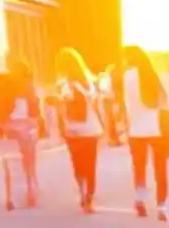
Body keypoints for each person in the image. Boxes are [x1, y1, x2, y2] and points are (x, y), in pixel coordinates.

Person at [121, 45, 169, 221]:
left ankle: (140, 200)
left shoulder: (127, 76)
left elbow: (126, 103)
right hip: (156, 127)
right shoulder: (152, 73)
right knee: (160, 168)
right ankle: (162, 206)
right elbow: (164, 100)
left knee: (139, 168)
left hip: (136, 128)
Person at [0, 60, 41, 210]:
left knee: (10, 165)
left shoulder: (4, 87)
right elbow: (35, 111)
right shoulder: (28, 88)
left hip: (10, 126)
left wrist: (3, 125)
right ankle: (30, 191)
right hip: (26, 126)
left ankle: (11, 196)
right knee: (29, 162)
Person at [56, 47, 103, 213]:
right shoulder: (89, 82)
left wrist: (62, 127)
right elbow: (97, 105)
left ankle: (82, 189)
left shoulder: (65, 84)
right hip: (91, 127)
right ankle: (89, 199)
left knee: (77, 163)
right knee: (91, 164)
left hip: (74, 128)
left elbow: (62, 106)